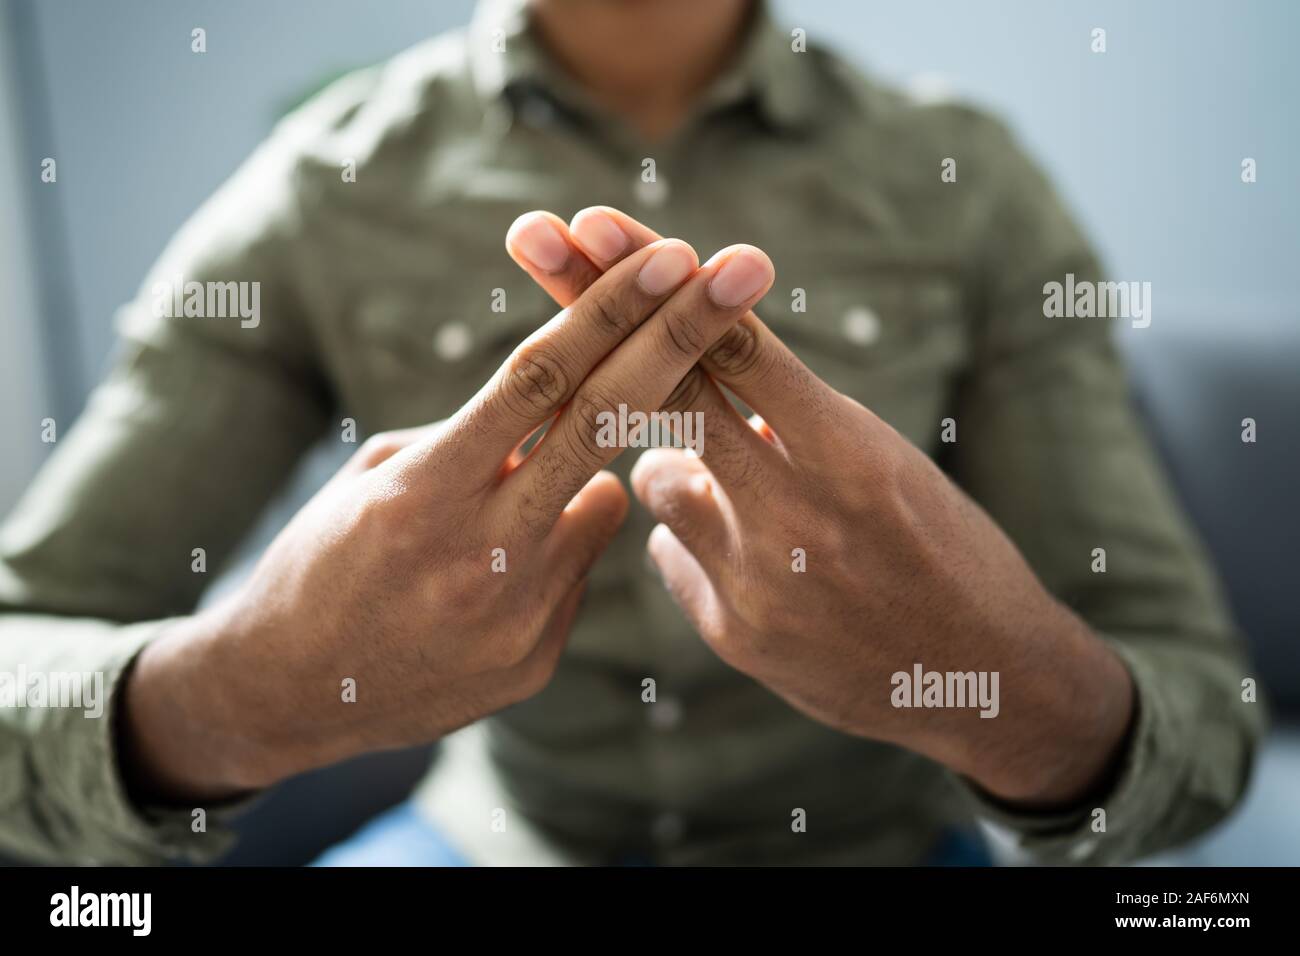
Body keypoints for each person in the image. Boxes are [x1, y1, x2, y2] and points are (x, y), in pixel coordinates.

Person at [0, 0, 1261, 866]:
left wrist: (990, 682)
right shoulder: (314, 184)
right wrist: (248, 694)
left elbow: (1203, 708)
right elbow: (24, 643)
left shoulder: (969, 180)